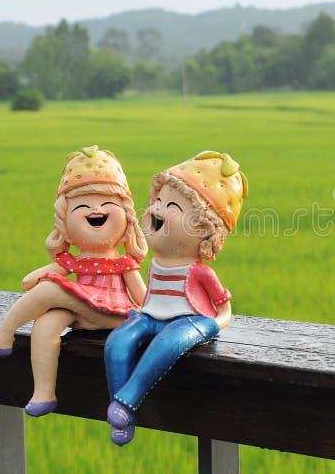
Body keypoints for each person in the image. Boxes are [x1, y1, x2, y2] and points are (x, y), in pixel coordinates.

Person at [0, 145, 148, 417]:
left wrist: (156, 313)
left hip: (114, 313)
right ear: (64, 221)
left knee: (51, 289)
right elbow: (35, 277)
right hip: (82, 311)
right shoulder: (76, 261)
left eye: (107, 204)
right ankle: (44, 394)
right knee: (46, 322)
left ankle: (4, 334)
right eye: (83, 205)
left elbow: (143, 298)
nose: (96, 210)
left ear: (126, 215)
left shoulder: (123, 263)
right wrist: (36, 278)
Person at [104, 150, 247, 445]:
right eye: (157, 200)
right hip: (151, 316)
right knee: (117, 342)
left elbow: (224, 307)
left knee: (166, 344)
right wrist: (139, 314)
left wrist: (214, 325)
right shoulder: (157, 263)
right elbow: (151, 296)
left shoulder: (198, 271)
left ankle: (127, 400)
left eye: (171, 205)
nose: (156, 209)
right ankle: (120, 415)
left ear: (204, 228)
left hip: (188, 321)